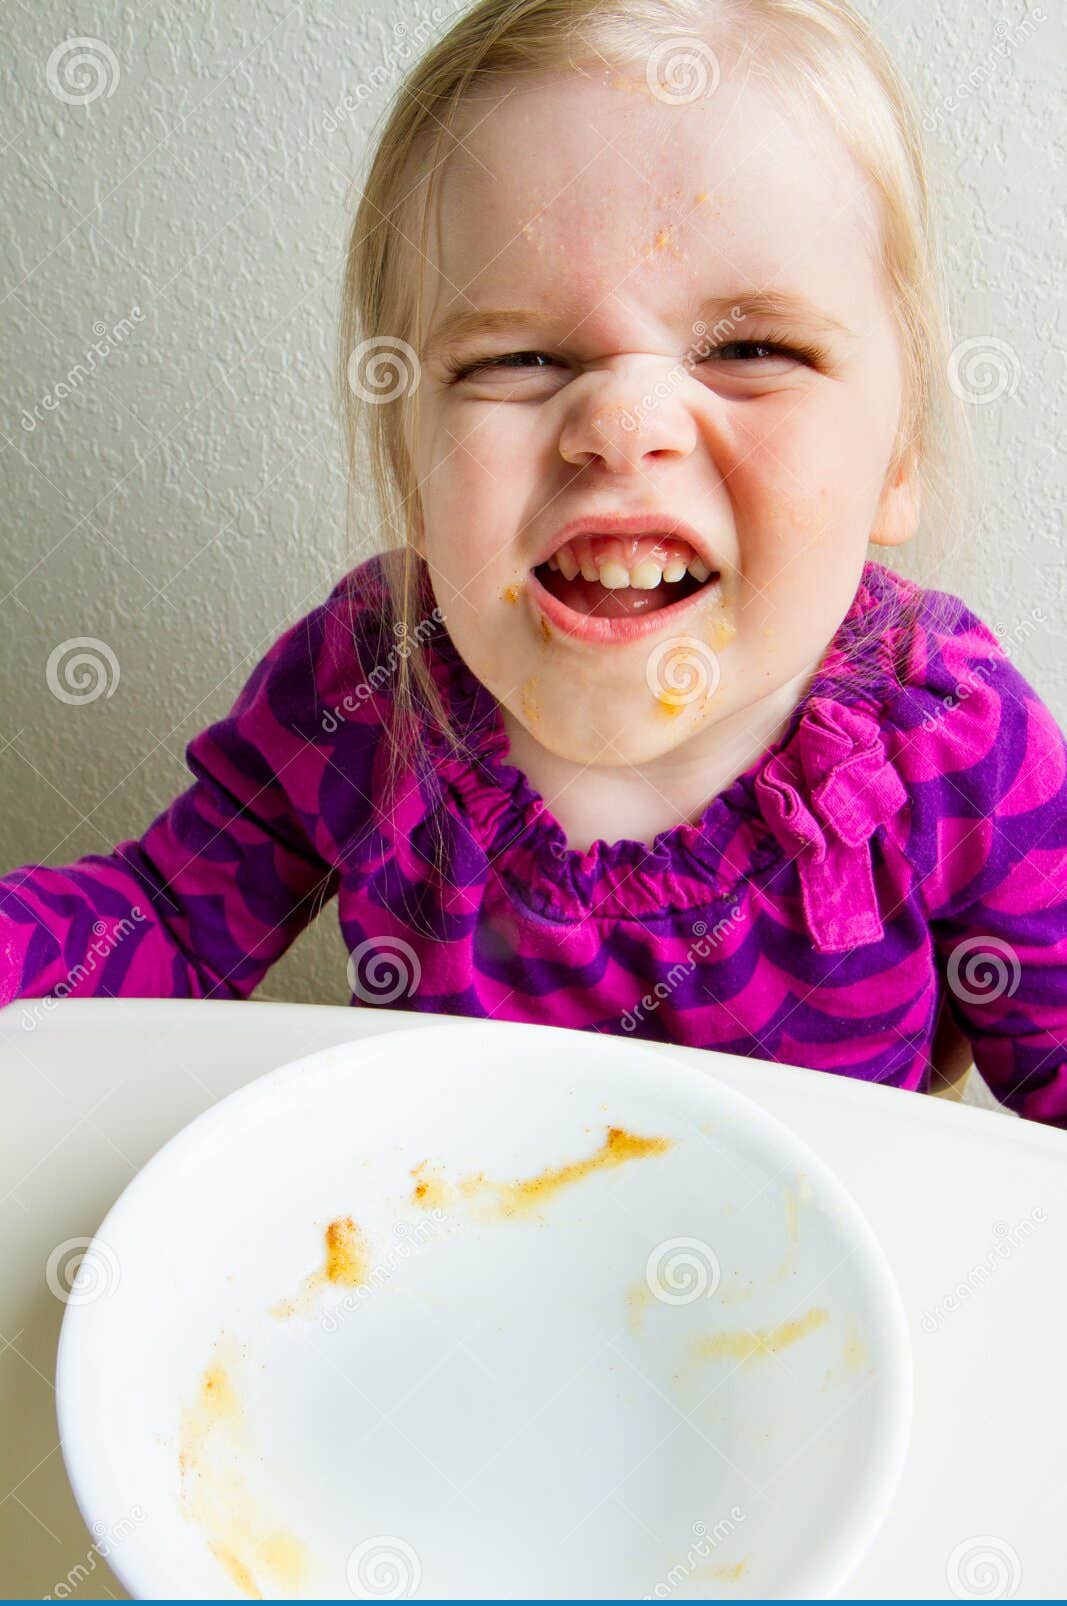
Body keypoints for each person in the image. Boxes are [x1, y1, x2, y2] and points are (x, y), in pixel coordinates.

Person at [3, 0, 1065, 1123]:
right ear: (409, 468)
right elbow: (167, 922)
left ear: (896, 454)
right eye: (515, 359)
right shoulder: (370, 681)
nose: (622, 423)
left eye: (754, 349)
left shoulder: (951, 742)